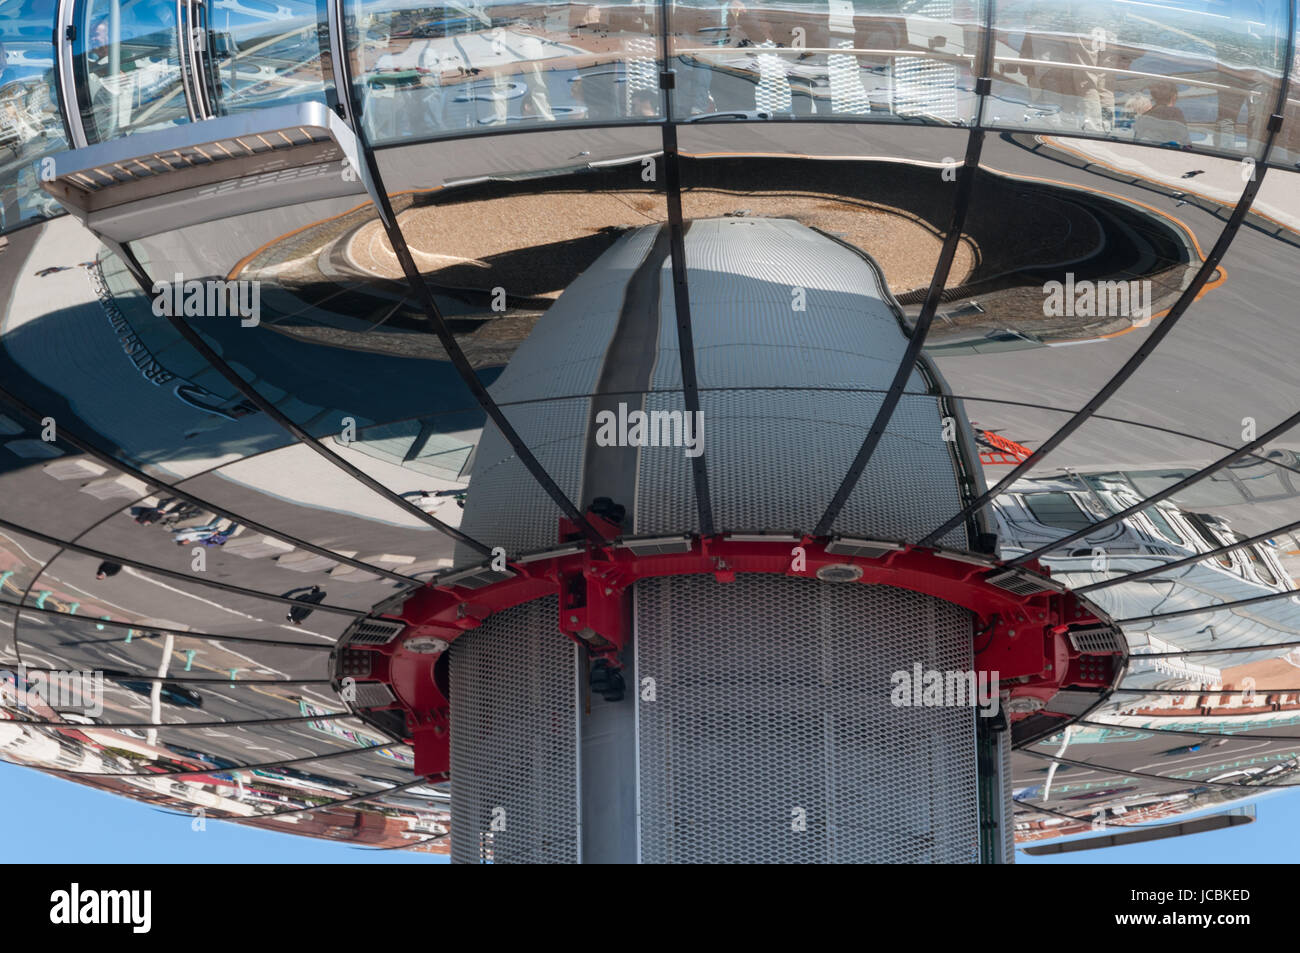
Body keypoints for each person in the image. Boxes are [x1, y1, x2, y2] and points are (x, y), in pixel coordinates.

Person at [1132, 80, 1189, 147]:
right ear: (1174, 96)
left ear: (1154, 97)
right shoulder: (1176, 113)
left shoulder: (1144, 116)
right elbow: (1186, 142)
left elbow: (1136, 140)